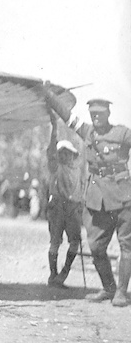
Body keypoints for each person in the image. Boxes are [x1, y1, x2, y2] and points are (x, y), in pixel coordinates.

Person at [75, 98, 131, 306]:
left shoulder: (122, 133)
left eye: (99, 113)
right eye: (92, 114)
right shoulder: (87, 132)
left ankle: (121, 292)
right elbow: (67, 116)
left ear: (108, 113)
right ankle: (109, 287)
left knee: (127, 245)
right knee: (96, 246)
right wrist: (47, 94)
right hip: (98, 199)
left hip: (123, 195)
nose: (95, 117)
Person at [43, 106, 87, 287]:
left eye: (68, 153)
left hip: (74, 207)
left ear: (72, 155)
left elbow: (86, 144)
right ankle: (53, 275)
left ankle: (64, 273)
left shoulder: (77, 169)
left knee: (75, 242)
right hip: (58, 206)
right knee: (55, 241)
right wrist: (55, 127)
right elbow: (51, 150)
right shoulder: (56, 168)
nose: (64, 155)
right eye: (61, 153)